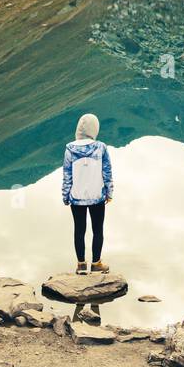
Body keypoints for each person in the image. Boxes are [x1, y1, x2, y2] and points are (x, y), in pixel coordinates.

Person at [62, 112, 113, 273]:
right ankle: (96, 264)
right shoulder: (101, 147)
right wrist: (109, 193)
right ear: (94, 129)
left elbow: (67, 175)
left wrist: (65, 196)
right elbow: (107, 172)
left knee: (79, 230)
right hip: (97, 196)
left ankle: (81, 265)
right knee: (98, 230)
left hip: (76, 198)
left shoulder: (70, 149)